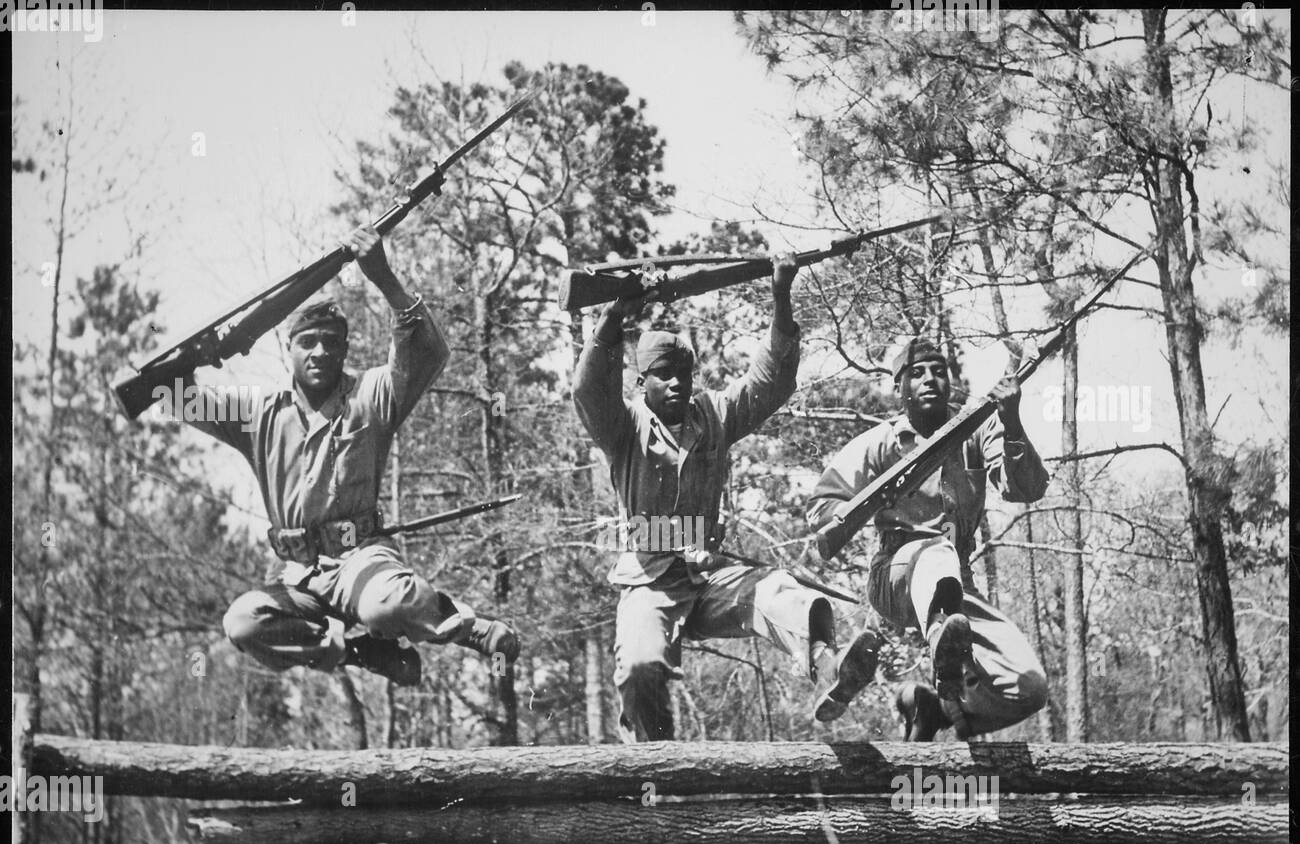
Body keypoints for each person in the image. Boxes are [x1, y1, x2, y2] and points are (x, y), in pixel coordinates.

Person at [172, 225, 518, 687]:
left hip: (361, 559)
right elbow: (178, 397)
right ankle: (361, 653)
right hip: (297, 574)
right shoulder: (260, 415)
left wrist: (384, 279)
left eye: (331, 342)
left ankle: (465, 627)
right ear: (287, 349)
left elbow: (428, 352)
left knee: (386, 604)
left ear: (345, 349)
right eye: (308, 341)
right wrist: (197, 355)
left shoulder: (371, 395)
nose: (320, 352)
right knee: (245, 624)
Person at [571, 256, 880, 742]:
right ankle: (657, 762)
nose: (676, 383)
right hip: (650, 579)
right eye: (663, 374)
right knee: (639, 667)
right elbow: (589, 391)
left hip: (710, 577)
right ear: (641, 382)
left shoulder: (711, 414)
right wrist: (612, 318)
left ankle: (828, 667)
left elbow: (769, 383)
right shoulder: (623, 426)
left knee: (778, 592)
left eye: (684, 375)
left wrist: (781, 295)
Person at [806, 337, 1050, 740]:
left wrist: (1012, 420)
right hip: (894, 578)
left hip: (957, 584)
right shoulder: (879, 443)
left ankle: (936, 709)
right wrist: (866, 506)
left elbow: (1025, 489)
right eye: (916, 374)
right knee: (935, 551)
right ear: (899, 387)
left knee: (1030, 688)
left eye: (939, 371)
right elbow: (821, 507)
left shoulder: (975, 429)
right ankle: (944, 649)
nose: (930, 380)